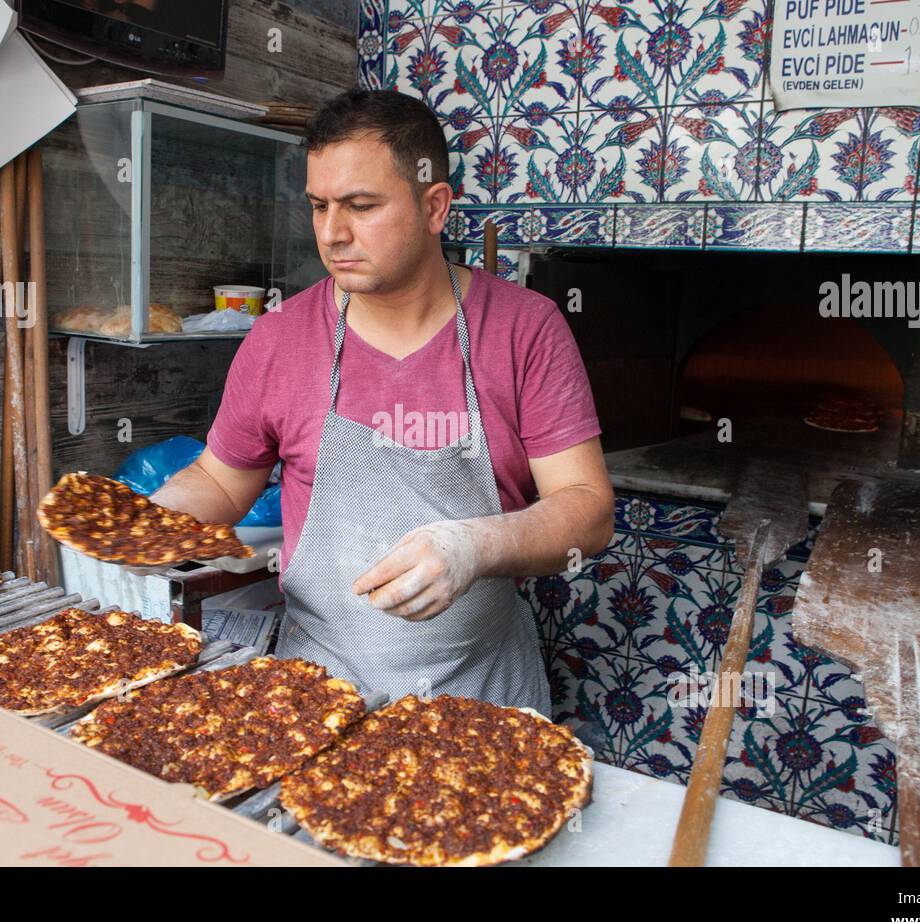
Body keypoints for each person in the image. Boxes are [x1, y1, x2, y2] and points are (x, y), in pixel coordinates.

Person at [152, 89, 613, 715]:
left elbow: (587, 512)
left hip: (482, 697)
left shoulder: (525, 329)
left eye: (360, 206)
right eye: (318, 207)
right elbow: (220, 481)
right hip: (316, 692)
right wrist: (150, 519)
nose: (332, 234)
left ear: (434, 206)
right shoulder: (280, 338)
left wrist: (474, 548)